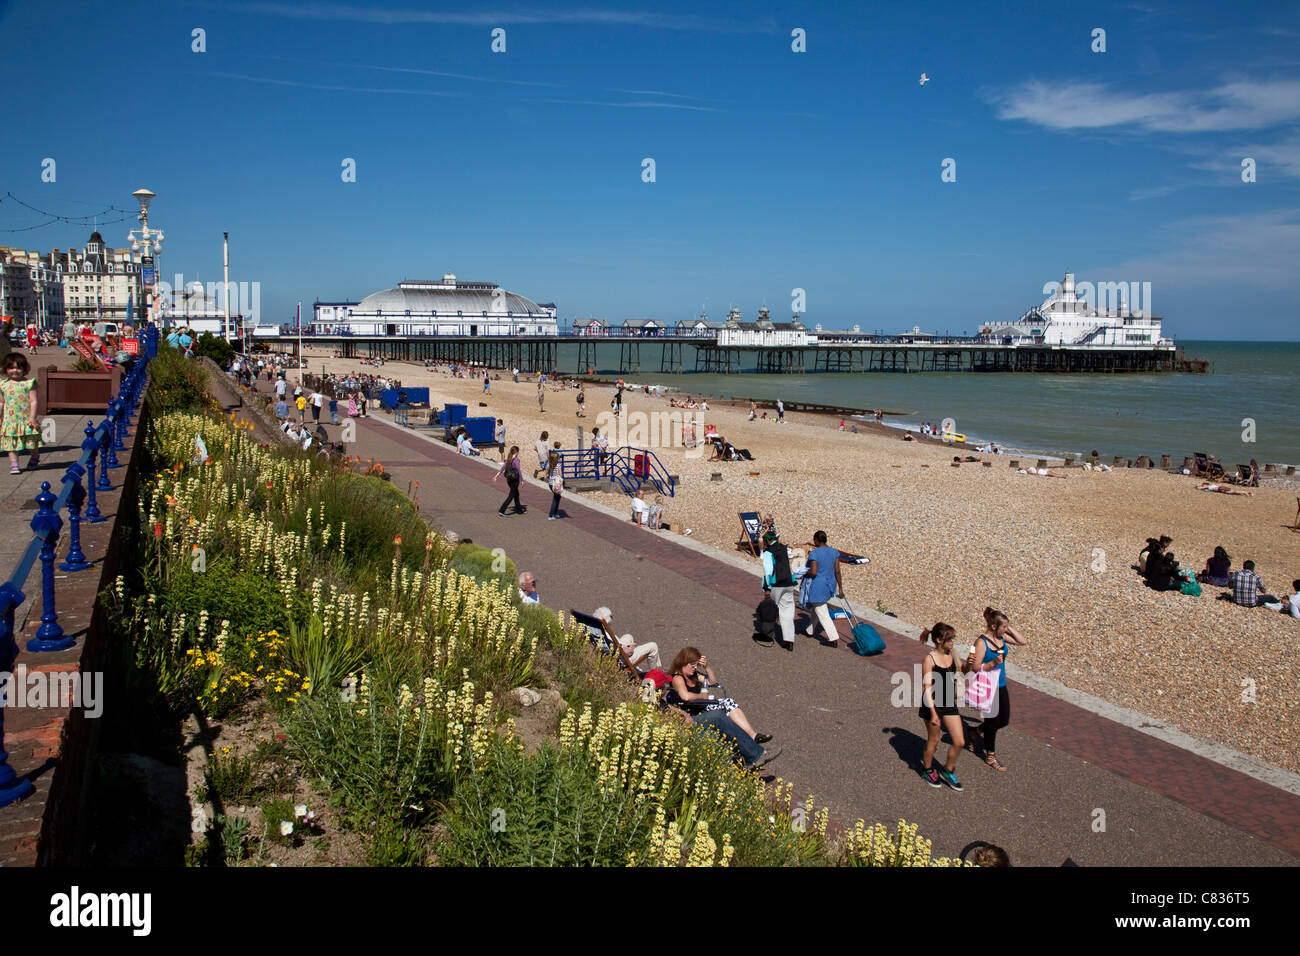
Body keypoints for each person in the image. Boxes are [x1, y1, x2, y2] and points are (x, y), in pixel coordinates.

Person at [668, 647, 771, 745]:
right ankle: (749, 737)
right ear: (684, 662)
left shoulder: (693, 675)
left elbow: (712, 682)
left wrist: (707, 667)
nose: (695, 668)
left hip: (700, 705)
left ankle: (752, 735)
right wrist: (702, 696)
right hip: (691, 710)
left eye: (696, 665)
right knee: (726, 706)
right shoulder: (678, 677)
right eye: (692, 665)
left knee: (729, 703)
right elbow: (685, 696)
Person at [966, 607, 1027, 772]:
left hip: (1001, 685)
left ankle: (976, 732)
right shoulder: (981, 642)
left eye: (1006, 627)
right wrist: (992, 664)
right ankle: (990, 756)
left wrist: (1008, 626)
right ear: (993, 627)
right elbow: (975, 667)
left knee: (1004, 720)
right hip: (988, 686)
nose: (1006, 630)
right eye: (1003, 627)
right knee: (992, 722)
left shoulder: (1002, 637)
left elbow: (1022, 641)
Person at [918, 623, 966, 791]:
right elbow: (927, 689)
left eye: (953, 639)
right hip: (932, 704)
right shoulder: (929, 660)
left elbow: (962, 670)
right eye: (949, 639)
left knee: (959, 741)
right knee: (934, 740)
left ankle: (947, 770)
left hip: (948, 702)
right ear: (939, 640)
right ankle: (928, 770)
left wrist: (969, 665)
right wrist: (933, 713)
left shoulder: (952, 653)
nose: (953, 642)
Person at [802, 530, 867, 646]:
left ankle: (833, 638)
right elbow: (837, 571)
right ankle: (809, 630)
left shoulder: (814, 554)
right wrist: (841, 588)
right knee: (816, 609)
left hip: (818, 586)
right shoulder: (834, 552)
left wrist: (803, 573)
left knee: (822, 612)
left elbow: (813, 572)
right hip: (829, 585)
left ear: (816, 540)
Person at [0, 353, 41, 473]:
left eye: (18, 368)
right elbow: (2, 402)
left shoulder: (29, 383)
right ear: (6, 369)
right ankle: (14, 464)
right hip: (10, 420)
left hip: (26, 419)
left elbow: (34, 401)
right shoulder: (3, 384)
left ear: (24, 369)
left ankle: (35, 456)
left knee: (31, 442)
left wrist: (33, 418)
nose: (15, 371)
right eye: (11, 367)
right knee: (11, 444)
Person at [761, 530, 798, 651]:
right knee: (787, 611)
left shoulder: (768, 552)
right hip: (788, 582)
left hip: (776, 584)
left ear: (767, 540)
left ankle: (767, 635)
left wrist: (767, 587)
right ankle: (789, 640)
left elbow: (768, 571)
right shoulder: (784, 549)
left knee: (770, 610)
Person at [593, 607, 660, 670]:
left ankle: (635, 669)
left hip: (612, 652)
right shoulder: (607, 635)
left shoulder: (594, 630)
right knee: (653, 646)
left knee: (628, 636)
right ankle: (655, 674)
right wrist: (628, 649)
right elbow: (622, 651)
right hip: (621, 658)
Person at [493, 445, 525, 515]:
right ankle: (502, 510)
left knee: (516, 494)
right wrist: (522, 480)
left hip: (509, 480)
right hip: (515, 480)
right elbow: (519, 470)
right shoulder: (516, 460)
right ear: (516, 452)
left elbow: (502, 468)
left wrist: (496, 476)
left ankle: (519, 509)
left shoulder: (508, 459)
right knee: (511, 496)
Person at [546, 450, 564, 520]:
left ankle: (555, 513)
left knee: (558, 497)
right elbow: (560, 474)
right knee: (555, 499)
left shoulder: (549, 465)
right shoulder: (558, 465)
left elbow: (546, 474)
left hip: (550, 484)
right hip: (556, 484)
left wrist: (550, 475)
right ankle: (551, 515)